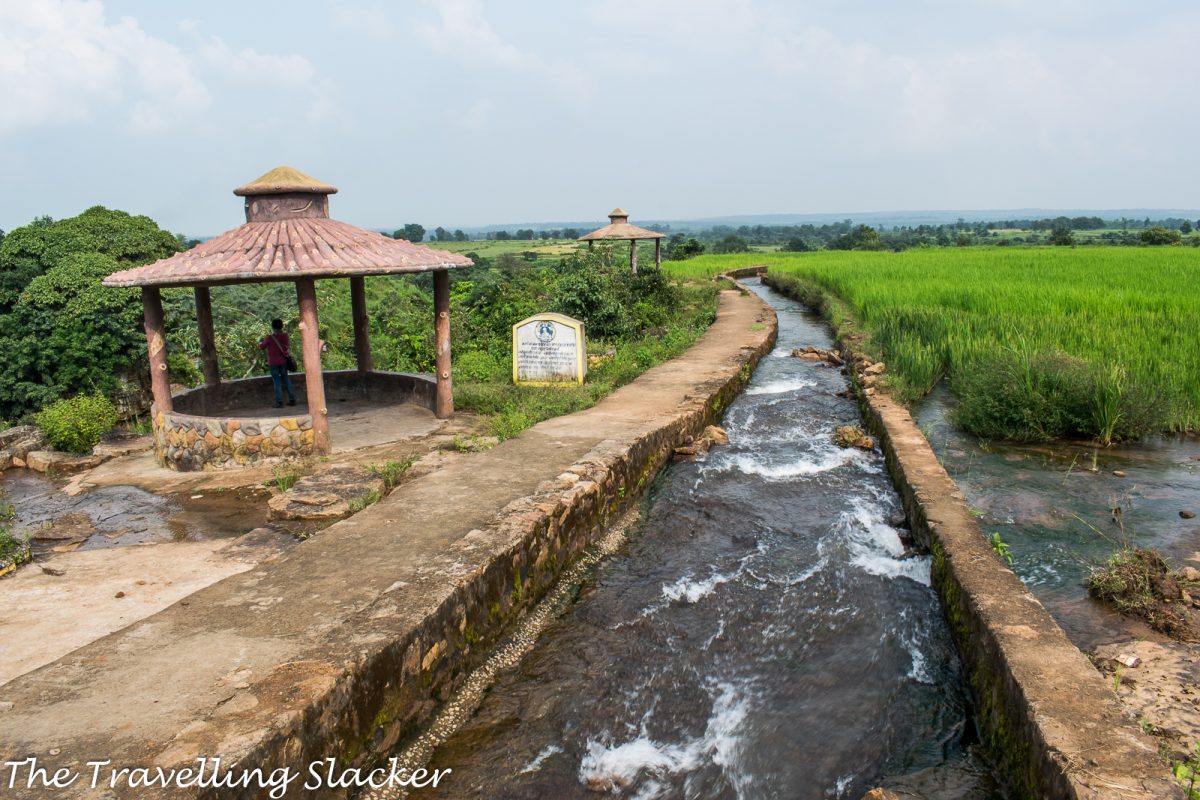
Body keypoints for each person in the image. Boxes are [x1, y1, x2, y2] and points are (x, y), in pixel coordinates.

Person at [258, 319, 297, 408]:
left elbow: (262, 347)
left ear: (272, 327)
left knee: (277, 381)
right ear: (282, 326)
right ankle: (292, 399)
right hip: (283, 361)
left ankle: (279, 402)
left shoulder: (269, 338)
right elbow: (286, 346)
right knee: (286, 379)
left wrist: (260, 342)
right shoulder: (285, 336)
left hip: (273, 363)